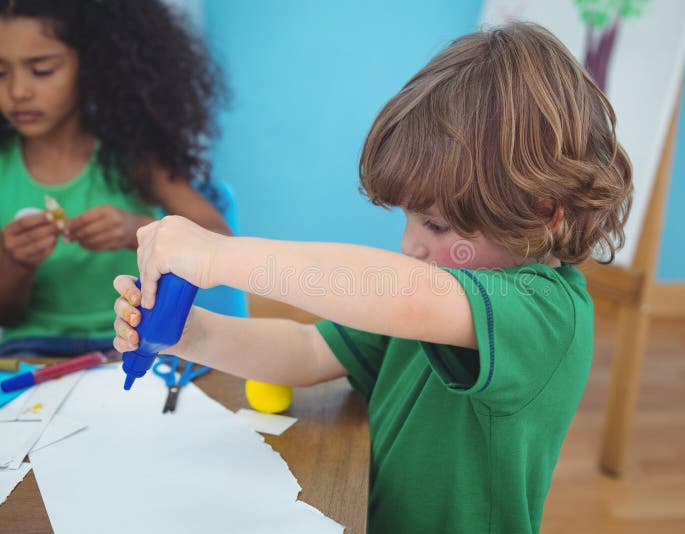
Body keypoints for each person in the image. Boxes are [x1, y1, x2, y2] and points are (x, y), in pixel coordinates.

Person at [112, 22, 632, 534]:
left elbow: (406, 300)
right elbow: (308, 351)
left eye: (436, 224)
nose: (410, 245)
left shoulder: (546, 314)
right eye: (408, 219)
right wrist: (189, 335)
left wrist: (221, 255)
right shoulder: (439, 283)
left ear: (542, 212)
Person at [0, 0, 231, 356]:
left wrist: (139, 232)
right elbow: (7, 316)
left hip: (132, 342)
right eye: (0, 73)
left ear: (94, 66)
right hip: (31, 353)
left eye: (42, 70)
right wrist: (13, 262)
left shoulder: (133, 157)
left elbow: (221, 242)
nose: (17, 91)